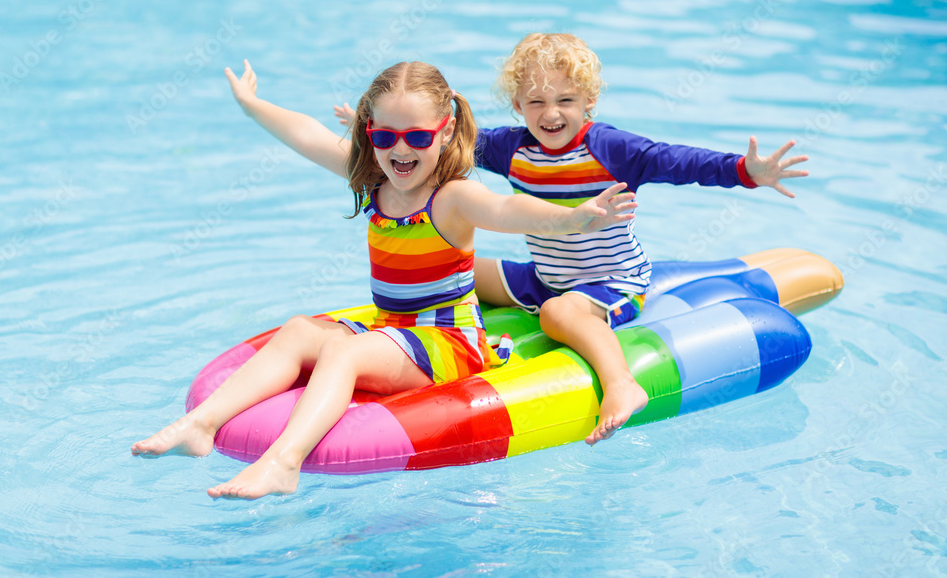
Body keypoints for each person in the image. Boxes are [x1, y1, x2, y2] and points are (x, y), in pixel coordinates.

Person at [131, 59, 638, 500]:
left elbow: (509, 208)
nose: (401, 151)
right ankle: (201, 425)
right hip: (392, 326)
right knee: (299, 329)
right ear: (368, 133)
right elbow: (306, 134)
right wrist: (250, 106)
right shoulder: (373, 179)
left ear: (444, 131)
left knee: (342, 352)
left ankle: (285, 462)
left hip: (446, 343)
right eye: (384, 136)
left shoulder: (451, 197)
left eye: (417, 137)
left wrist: (576, 217)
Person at [335, 33, 809, 446]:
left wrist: (747, 172)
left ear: (589, 102)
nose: (551, 113)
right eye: (536, 102)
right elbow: (434, 143)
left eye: (565, 99)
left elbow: (679, 161)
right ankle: (420, 340)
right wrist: (384, 136)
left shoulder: (611, 149)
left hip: (611, 282)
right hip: (547, 275)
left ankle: (621, 383)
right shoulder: (510, 147)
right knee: (449, 265)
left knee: (558, 312)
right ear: (518, 105)